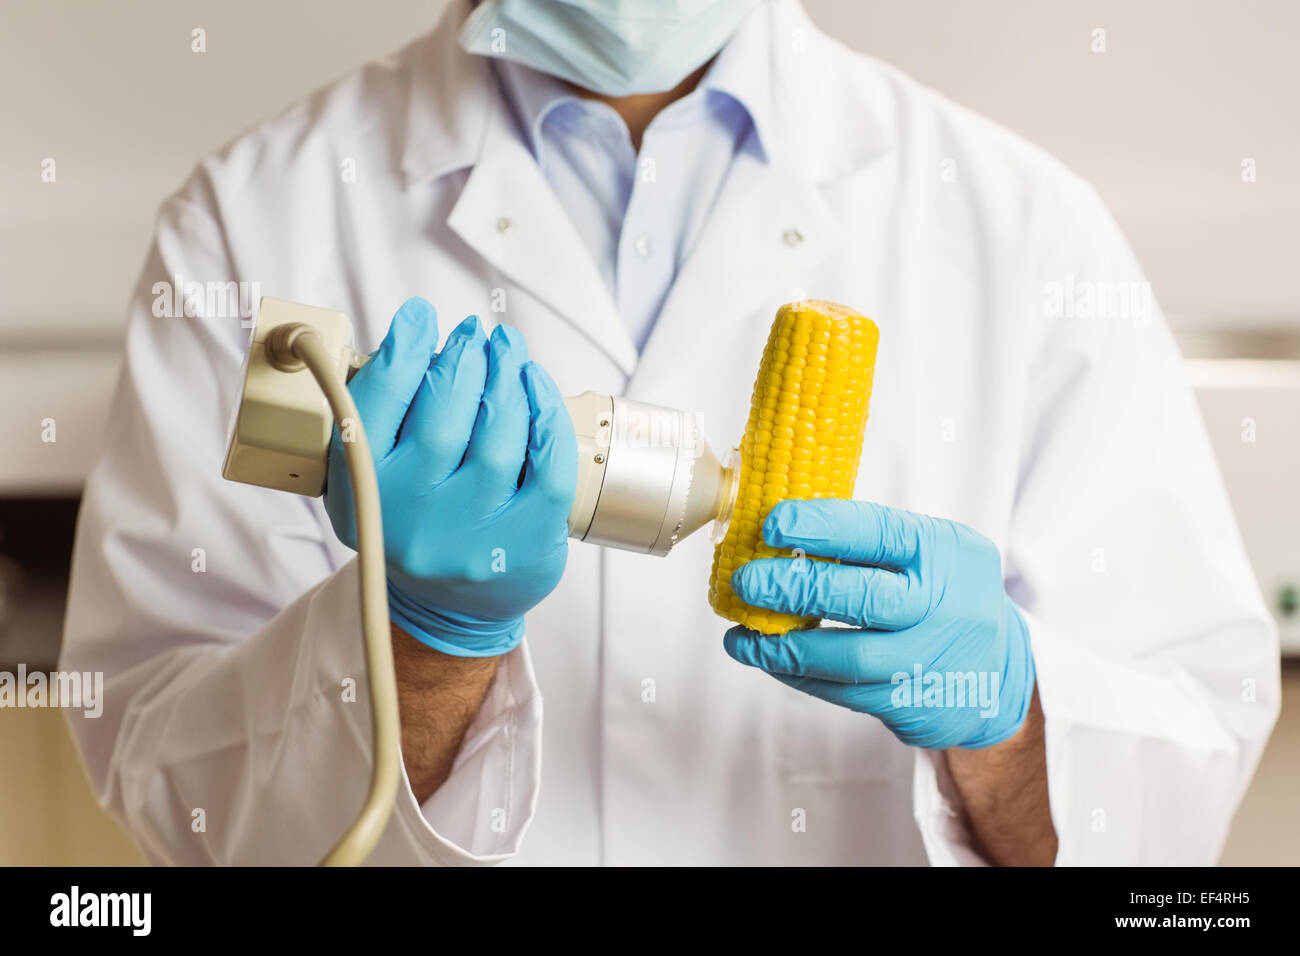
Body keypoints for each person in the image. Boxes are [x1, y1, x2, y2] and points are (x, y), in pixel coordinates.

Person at [62, 0, 1279, 865]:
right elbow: (180, 800)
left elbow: (1177, 819)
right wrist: (419, 640)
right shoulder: (250, 217)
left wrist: (1009, 711)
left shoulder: (1022, 226)